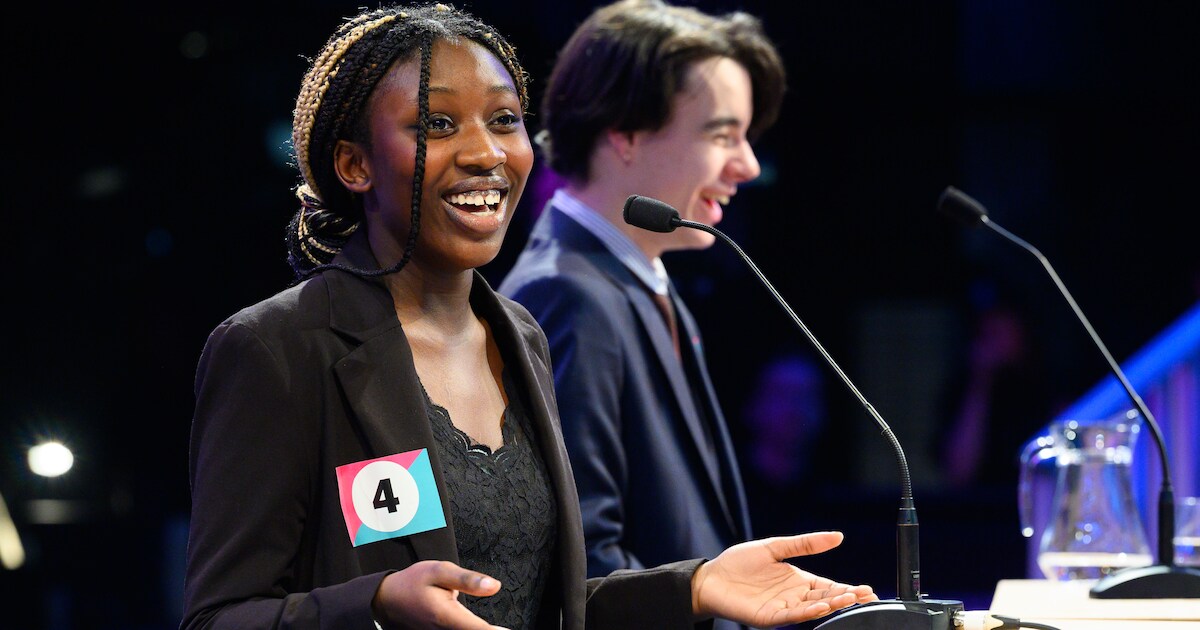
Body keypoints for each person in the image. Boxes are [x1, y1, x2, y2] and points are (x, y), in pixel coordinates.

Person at [180, 3, 875, 629]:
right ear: (354, 164)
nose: (485, 153)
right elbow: (217, 617)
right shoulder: (276, 348)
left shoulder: (520, 336)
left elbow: (552, 603)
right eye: (438, 124)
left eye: (505, 120)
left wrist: (695, 584)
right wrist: (376, 604)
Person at [498, 0, 782, 607]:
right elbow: (586, 559)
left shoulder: (633, 276)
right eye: (722, 134)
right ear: (624, 132)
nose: (748, 165)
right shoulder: (569, 294)